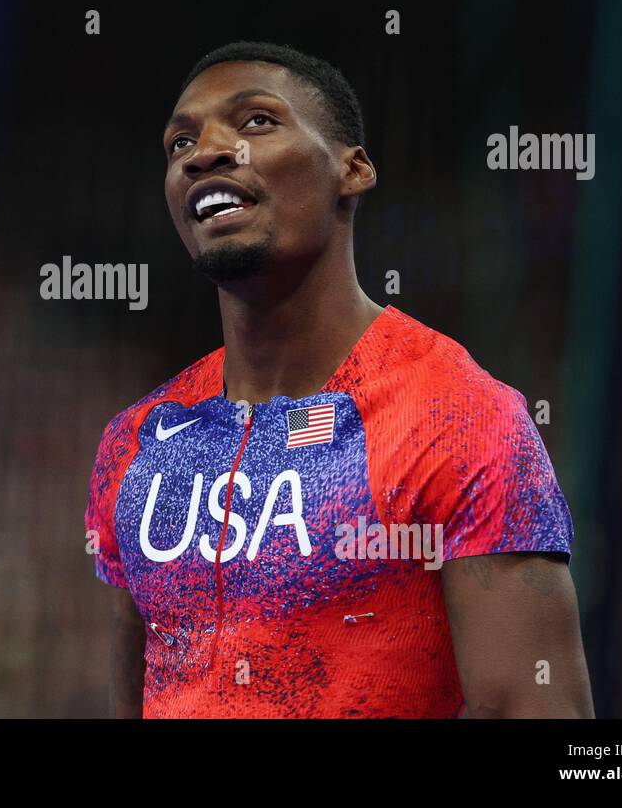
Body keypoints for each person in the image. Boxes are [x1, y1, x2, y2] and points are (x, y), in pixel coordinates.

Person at [86, 41, 594, 718]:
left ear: (353, 169)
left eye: (256, 122)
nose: (204, 151)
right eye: (180, 142)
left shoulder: (460, 415)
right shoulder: (136, 442)